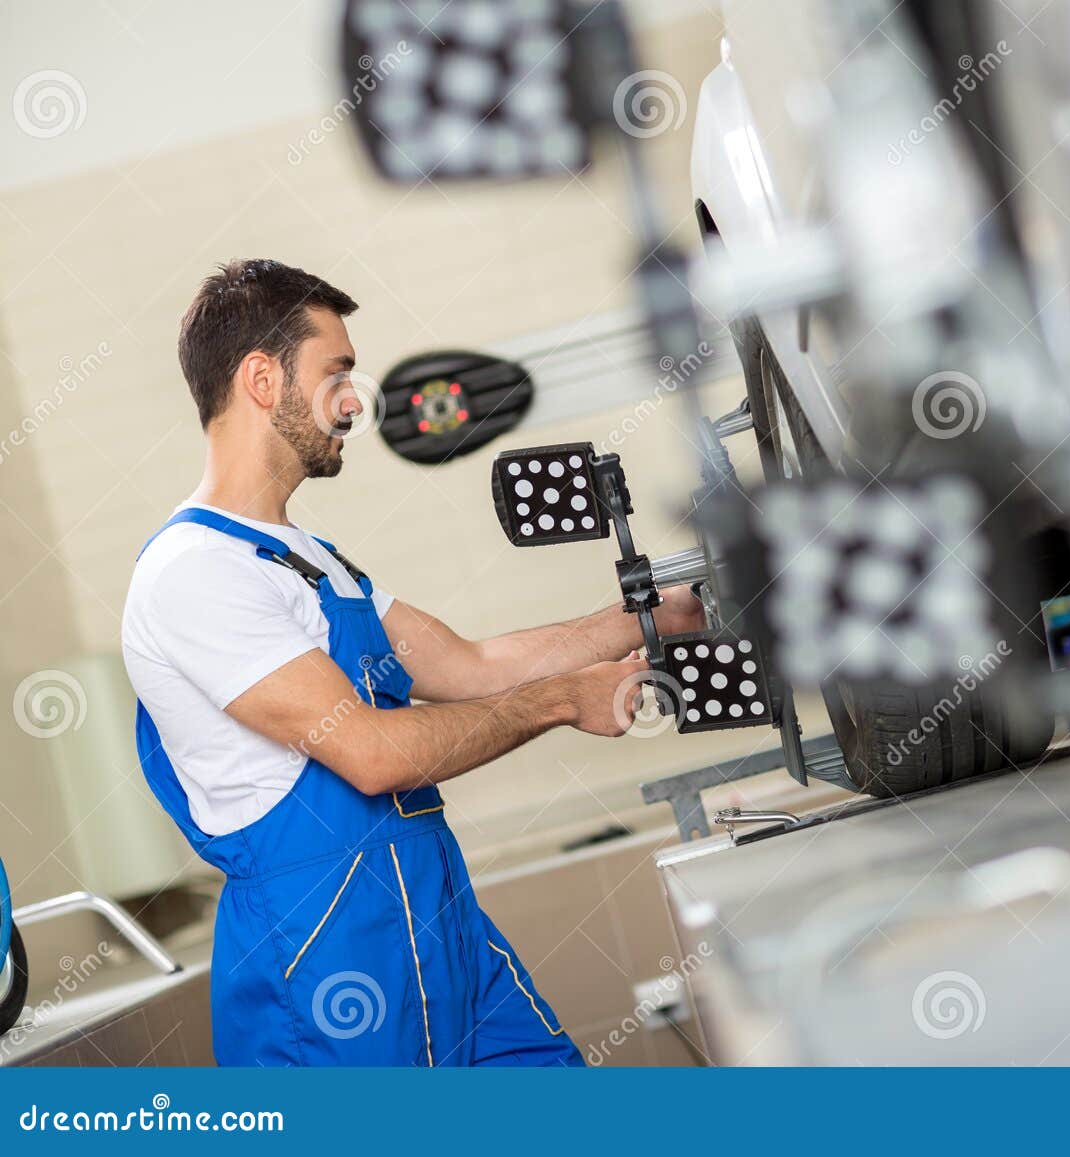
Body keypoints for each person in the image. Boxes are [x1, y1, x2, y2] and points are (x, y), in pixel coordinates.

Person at [121, 259, 703, 1066]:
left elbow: (473, 664)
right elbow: (370, 752)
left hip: (438, 925)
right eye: (338, 374)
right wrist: (567, 699)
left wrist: (657, 613)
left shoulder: (317, 561)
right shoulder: (194, 571)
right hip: (328, 963)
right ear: (261, 378)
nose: (356, 403)